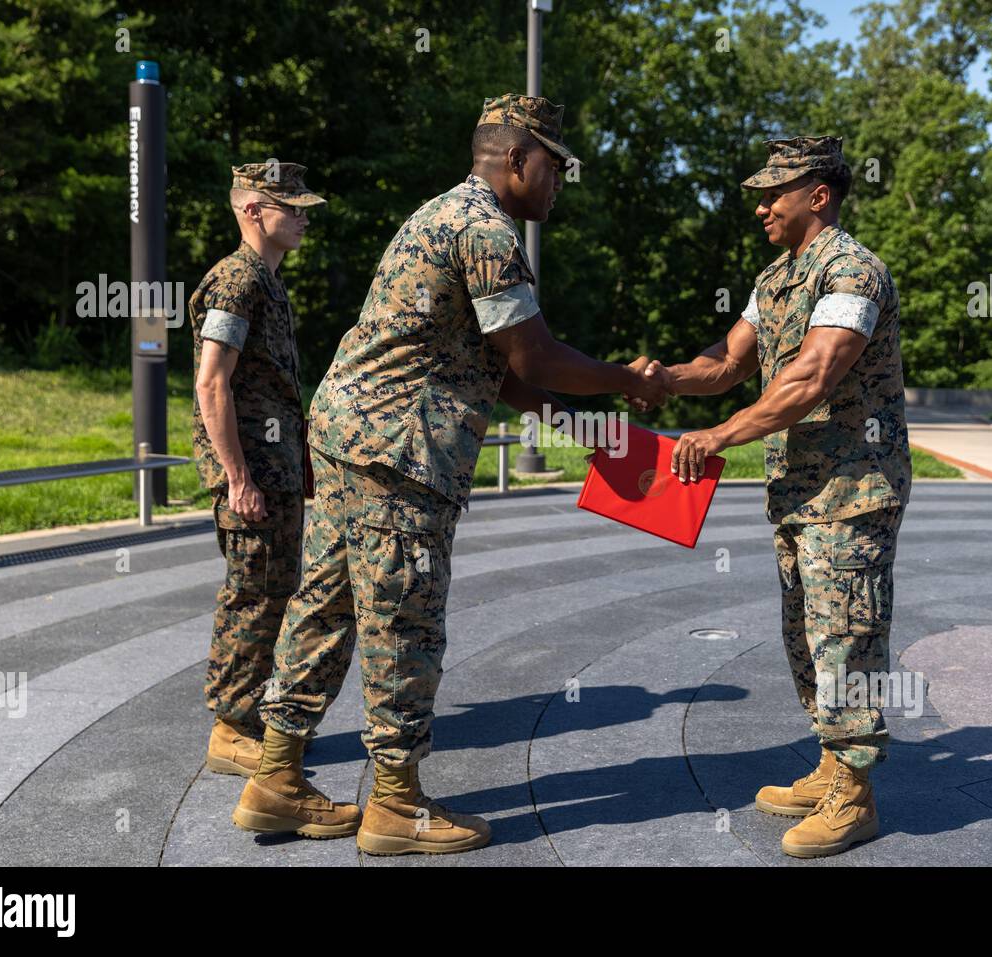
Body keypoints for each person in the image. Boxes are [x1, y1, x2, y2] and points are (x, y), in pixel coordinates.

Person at [230, 94, 669, 851]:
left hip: (346, 436)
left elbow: (497, 369)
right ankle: (396, 804)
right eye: (556, 166)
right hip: (400, 454)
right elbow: (534, 354)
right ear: (517, 159)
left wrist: (585, 422)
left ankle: (276, 777)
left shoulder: (441, 213)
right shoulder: (487, 231)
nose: (560, 182)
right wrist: (626, 377)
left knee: (324, 605)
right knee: (404, 619)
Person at [641, 136, 910, 858]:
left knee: (847, 636)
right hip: (798, 492)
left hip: (853, 491)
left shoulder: (853, 272)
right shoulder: (775, 279)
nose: (760, 205)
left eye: (774, 192)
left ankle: (855, 794)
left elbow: (813, 375)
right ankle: (830, 762)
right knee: (805, 634)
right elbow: (731, 361)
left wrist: (718, 434)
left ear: (817, 195)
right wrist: (666, 377)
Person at [190, 162, 322, 779]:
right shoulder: (237, 281)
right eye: (288, 205)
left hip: (275, 471)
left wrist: (296, 463)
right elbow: (211, 383)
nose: (301, 216)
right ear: (251, 211)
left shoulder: (267, 282)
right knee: (252, 594)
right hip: (252, 475)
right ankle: (231, 728)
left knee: (274, 592)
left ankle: (253, 716)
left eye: (303, 206)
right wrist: (237, 477)